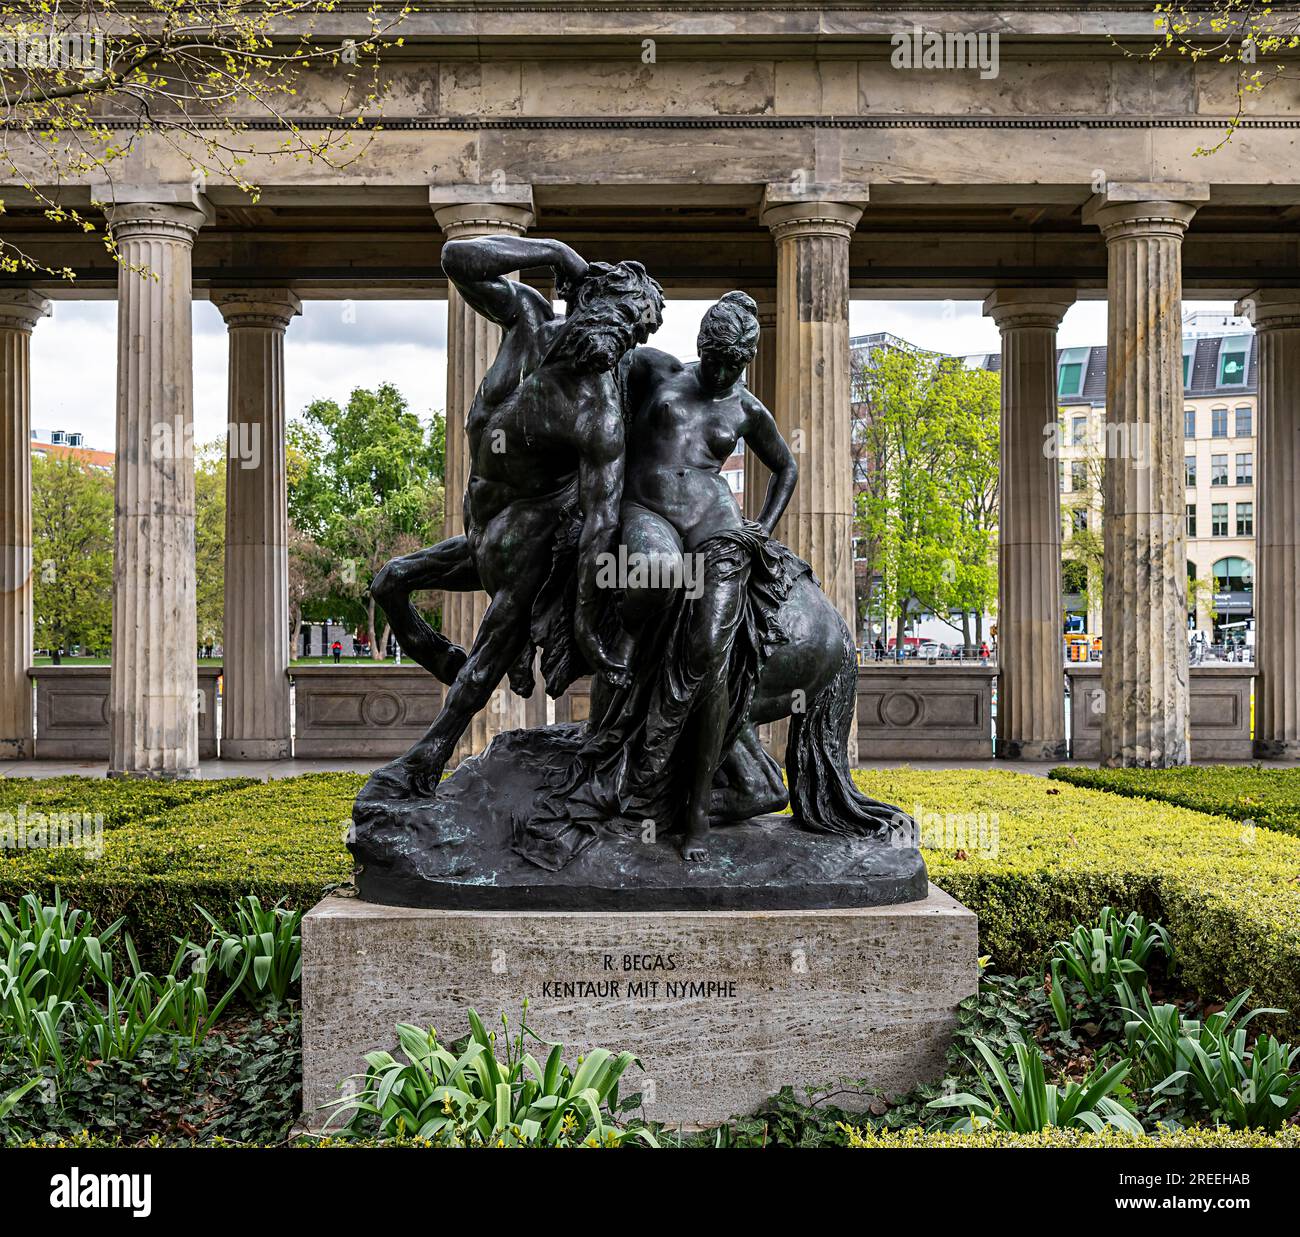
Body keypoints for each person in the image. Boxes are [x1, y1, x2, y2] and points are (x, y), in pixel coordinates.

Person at [369, 237, 665, 795]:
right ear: (583, 295)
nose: (620, 335)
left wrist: (582, 617)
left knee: (489, 651)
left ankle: (425, 762)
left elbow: (601, 521)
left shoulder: (598, 413)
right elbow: (456, 258)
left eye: (633, 330)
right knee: (390, 582)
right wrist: (552, 252)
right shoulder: (526, 319)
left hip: (539, 533)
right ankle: (437, 658)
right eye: (618, 313)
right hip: (487, 521)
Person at [551, 291, 798, 861]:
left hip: (718, 527)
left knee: (710, 654)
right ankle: (627, 692)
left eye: (730, 365)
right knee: (657, 576)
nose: (718, 372)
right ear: (699, 350)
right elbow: (598, 360)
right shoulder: (657, 370)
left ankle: (694, 814)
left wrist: (761, 526)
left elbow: (785, 467)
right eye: (711, 360)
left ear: (746, 359)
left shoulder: (746, 409)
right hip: (648, 512)